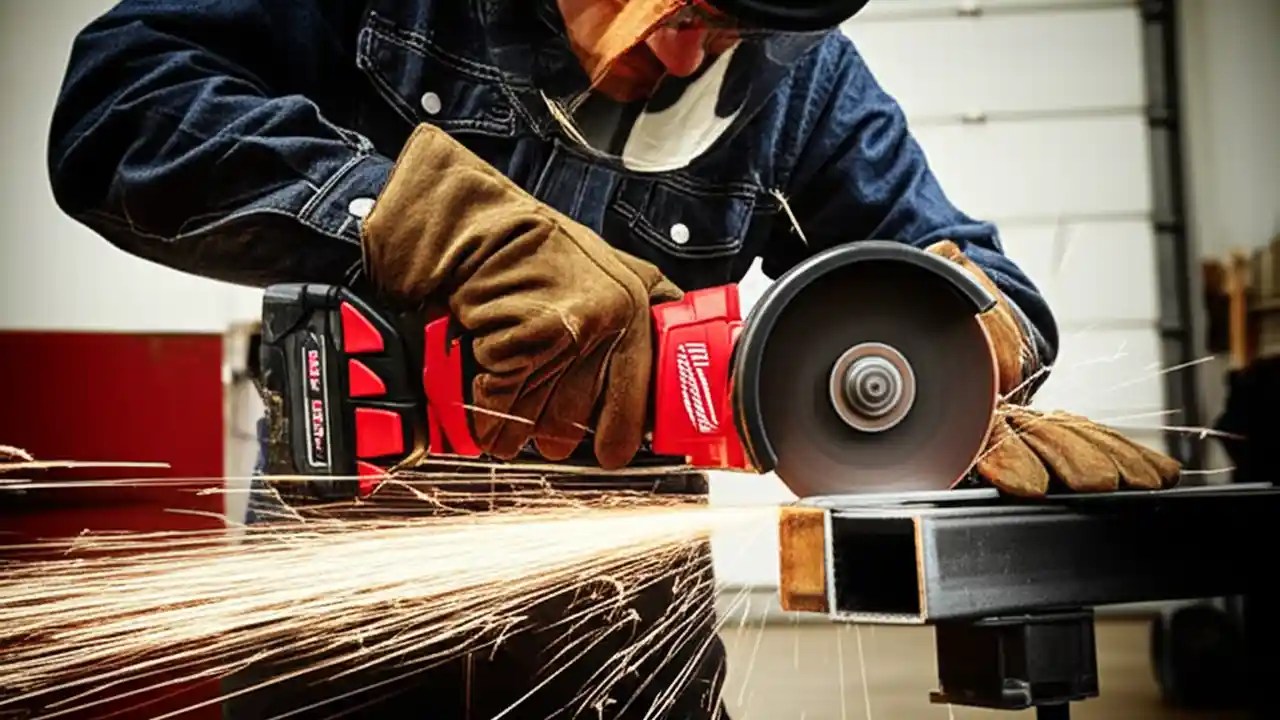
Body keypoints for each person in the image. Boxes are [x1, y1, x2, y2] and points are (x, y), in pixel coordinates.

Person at [47, 1, 1181, 717]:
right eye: (681, 3)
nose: (690, 51)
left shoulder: (803, 81)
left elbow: (984, 277)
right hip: (345, 611)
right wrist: (419, 218)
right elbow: (118, 98)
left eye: (727, 31)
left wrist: (965, 359)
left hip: (621, 637)